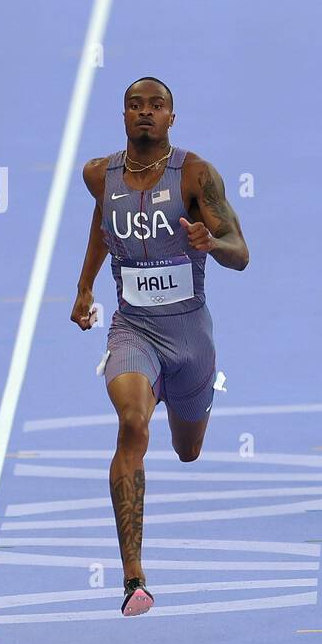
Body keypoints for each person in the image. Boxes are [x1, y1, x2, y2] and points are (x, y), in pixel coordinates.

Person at [71, 77, 249, 614]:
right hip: (134, 329)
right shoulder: (99, 175)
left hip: (190, 337)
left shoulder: (196, 175)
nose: (145, 113)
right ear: (123, 115)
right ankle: (134, 578)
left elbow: (241, 253)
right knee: (131, 423)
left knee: (187, 450)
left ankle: (193, 400)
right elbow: (103, 228)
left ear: (172, 117)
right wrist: (83, 287)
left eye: (156, 106)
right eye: (135, 105)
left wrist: (210, 241)